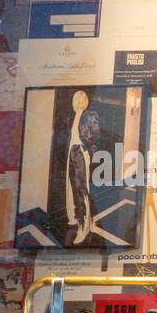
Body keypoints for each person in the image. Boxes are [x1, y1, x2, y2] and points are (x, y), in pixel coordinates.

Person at [64, 91, 100, 247]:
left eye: (84, 99)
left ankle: (83, 227)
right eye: (79, 99)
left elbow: (96, 135)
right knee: (72, 188)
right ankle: (85, 221)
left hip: (81, 152)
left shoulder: (90, 114)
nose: (82, 102)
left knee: (81, 189)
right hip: (71, 152)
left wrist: (88, 150)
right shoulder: (71, 117)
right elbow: (69, 137)